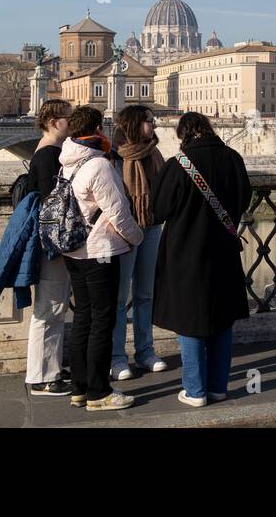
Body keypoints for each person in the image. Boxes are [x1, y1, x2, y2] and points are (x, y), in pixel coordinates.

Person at [150, 111, 250, 407]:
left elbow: (159, 210)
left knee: (191, 320)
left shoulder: (178, 165)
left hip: (186, 253)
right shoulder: (233, 158)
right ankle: (218, 386)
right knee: (222, 319)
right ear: (208, 129)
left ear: (183, 135)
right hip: (224, 248)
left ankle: (195, 391)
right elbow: (244, 198)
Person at [59, 105, 144, 411]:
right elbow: (118, 212)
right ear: (96, 130)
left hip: (74, 251)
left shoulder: (66, 161)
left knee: (83, 317)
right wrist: (137, 238)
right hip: (101, 252)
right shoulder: (99, 165)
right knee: (102, 321)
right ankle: (99, 392)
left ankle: (79, 388)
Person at [109, 105, 168, 380]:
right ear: (134, 124)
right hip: (123, 231)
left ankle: (145, 351)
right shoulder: (113, 156)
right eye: (149, 122)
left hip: (152, 227)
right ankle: (117, 357)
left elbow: (166, 187)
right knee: (120, 297)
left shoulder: (155, 153)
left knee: (145, 294)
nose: (154, 126)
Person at [23, 99, 73, 396]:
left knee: (53, 307)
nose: (71, 123)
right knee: (50, 309)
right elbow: (51, 204)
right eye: (68, 118)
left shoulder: (47, 152)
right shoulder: (49, 155)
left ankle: (49, 367)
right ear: (55, 122)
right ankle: (41, 376)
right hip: (50, 243)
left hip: (49, 241)